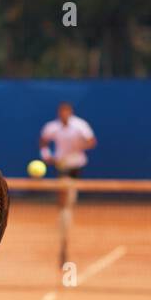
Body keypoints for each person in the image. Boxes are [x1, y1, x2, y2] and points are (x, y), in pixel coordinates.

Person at [39, 102, 97, 266]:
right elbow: (43, 141)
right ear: (59, 113)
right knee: (64, 201)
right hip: (62, 166)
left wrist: (81, 145)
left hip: (76, 165)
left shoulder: (80, 125)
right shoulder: (52, 127)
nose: (64, 115)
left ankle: (66, 217)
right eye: (62, 112)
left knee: (70, 200)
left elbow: (92, 141)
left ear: (70, 113)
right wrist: (46, 155)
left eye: (67, 112)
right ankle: (64, 228)